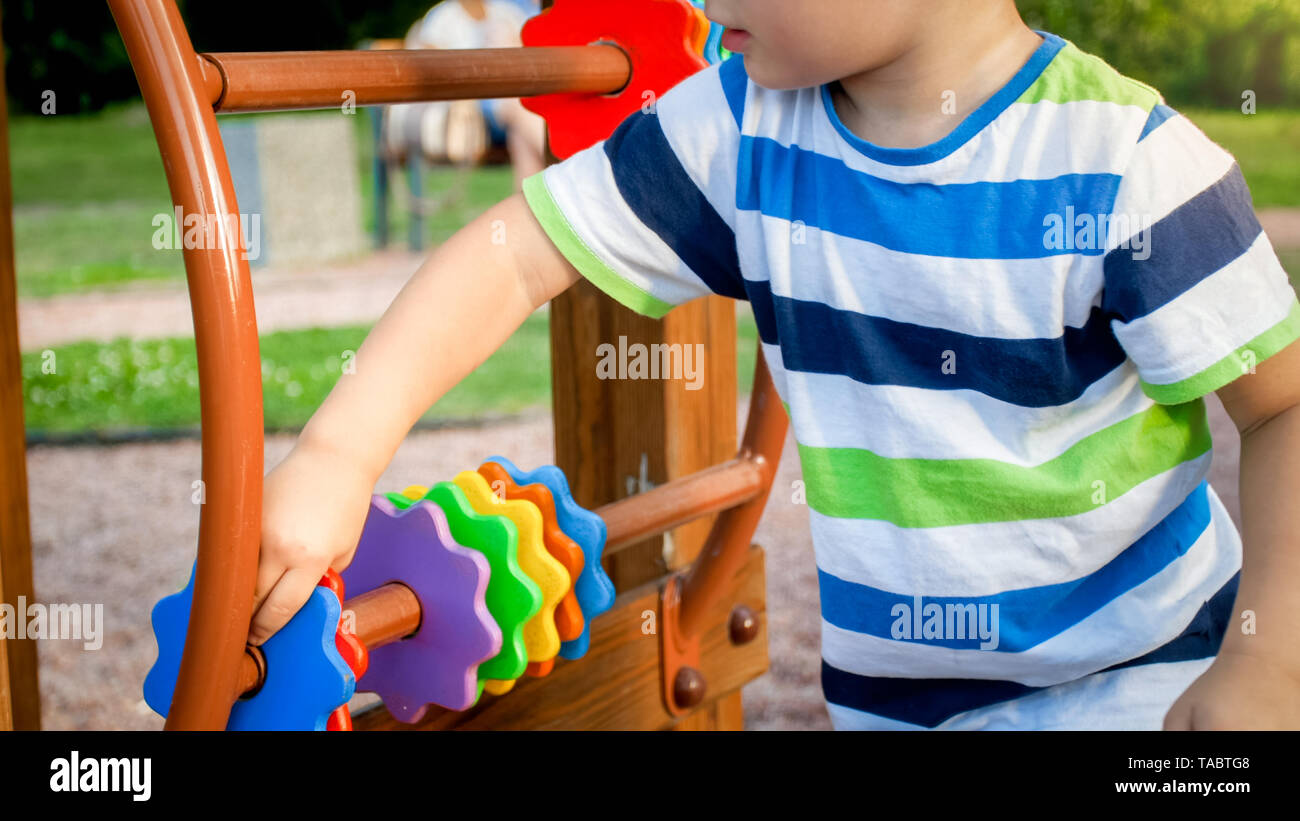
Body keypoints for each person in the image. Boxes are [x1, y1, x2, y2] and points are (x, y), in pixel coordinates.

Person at [249, 0, 1300, 729]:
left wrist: (1270, 659)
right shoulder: (738, 125)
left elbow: (1282, 406)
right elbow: (515, 252)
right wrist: (340, 451)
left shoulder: (1126, 167)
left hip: (1139, 677)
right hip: (888, 700)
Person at [400, 0, 546, 187]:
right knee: (522, 108)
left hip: (508, 101)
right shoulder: (444, 16)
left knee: (521, 137)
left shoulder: (504, 12)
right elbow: (426, 64)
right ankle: (567, 166)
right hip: (472, 106)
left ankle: (530, 205)